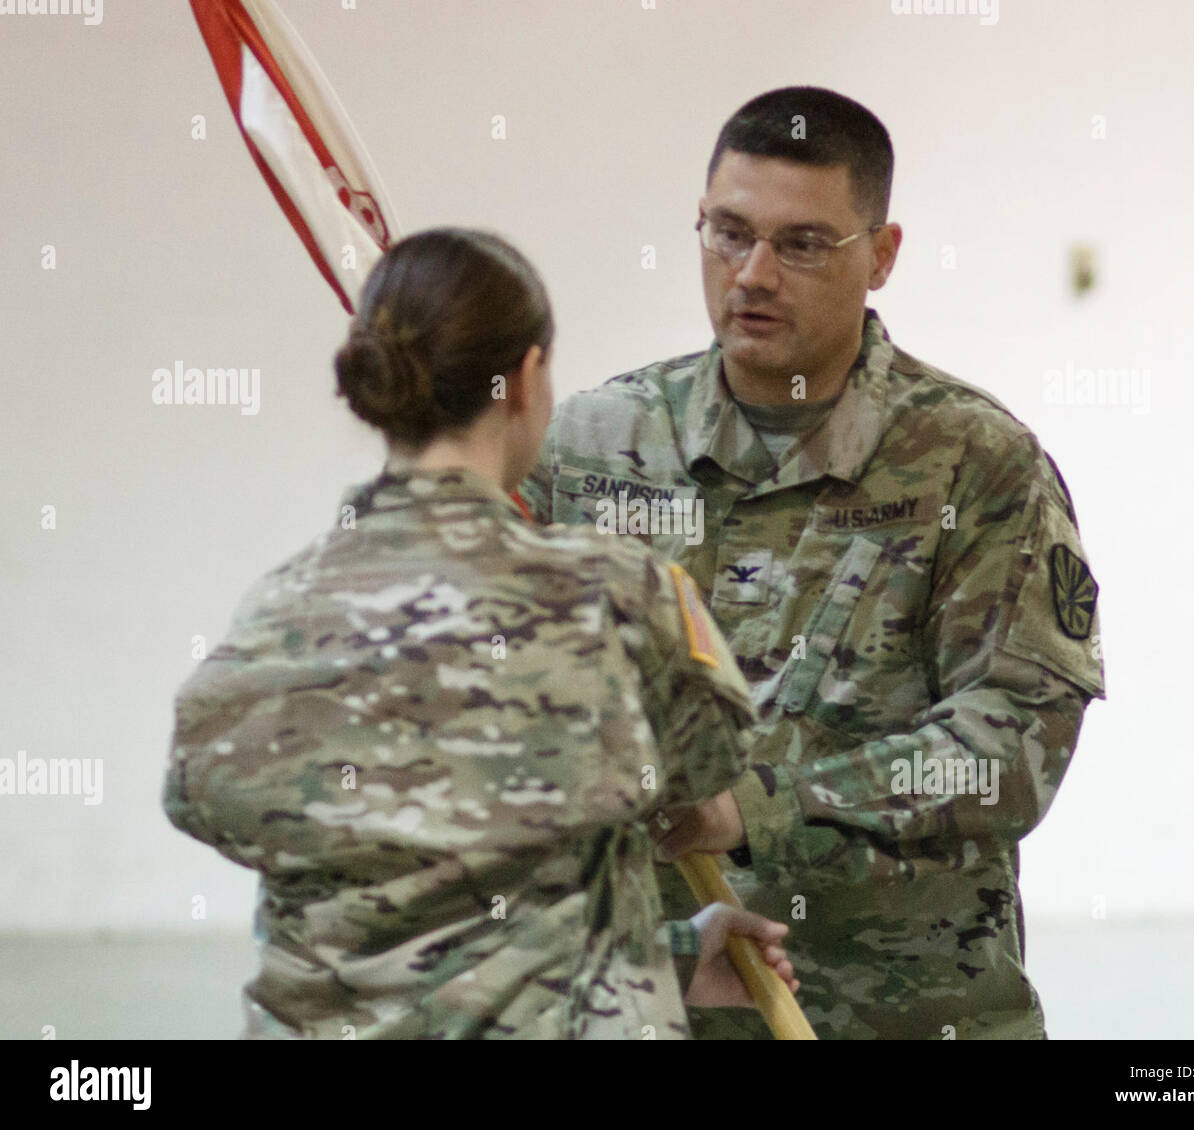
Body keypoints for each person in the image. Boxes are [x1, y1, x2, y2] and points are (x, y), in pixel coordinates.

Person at [520, 86, 1106, 1040]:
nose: (752, 274)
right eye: (728, 232)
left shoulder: (974, 461)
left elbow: (1012, 748)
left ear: (880, 256)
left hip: (903, 1017)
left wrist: (754, 810)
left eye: (801, 244)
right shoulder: (587, 446)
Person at [162, 227, 798, 1040]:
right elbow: (704, 768)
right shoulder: (622, 594)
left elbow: (205, 803)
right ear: (527, 380)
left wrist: (672, 956)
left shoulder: (273, 616)